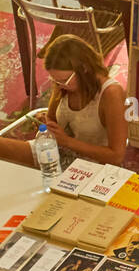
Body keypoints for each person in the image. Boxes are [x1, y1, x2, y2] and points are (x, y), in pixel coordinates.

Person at [0, 34, 128, 170]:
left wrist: (67, 142)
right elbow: (52, 118)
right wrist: (46, 123)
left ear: (84, 69)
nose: (59, 85)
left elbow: (116, 156)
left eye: (63, 80)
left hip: (90, 165)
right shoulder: (63, 84)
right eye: (55, 80)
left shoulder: (111, 93)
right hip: (54, 151)